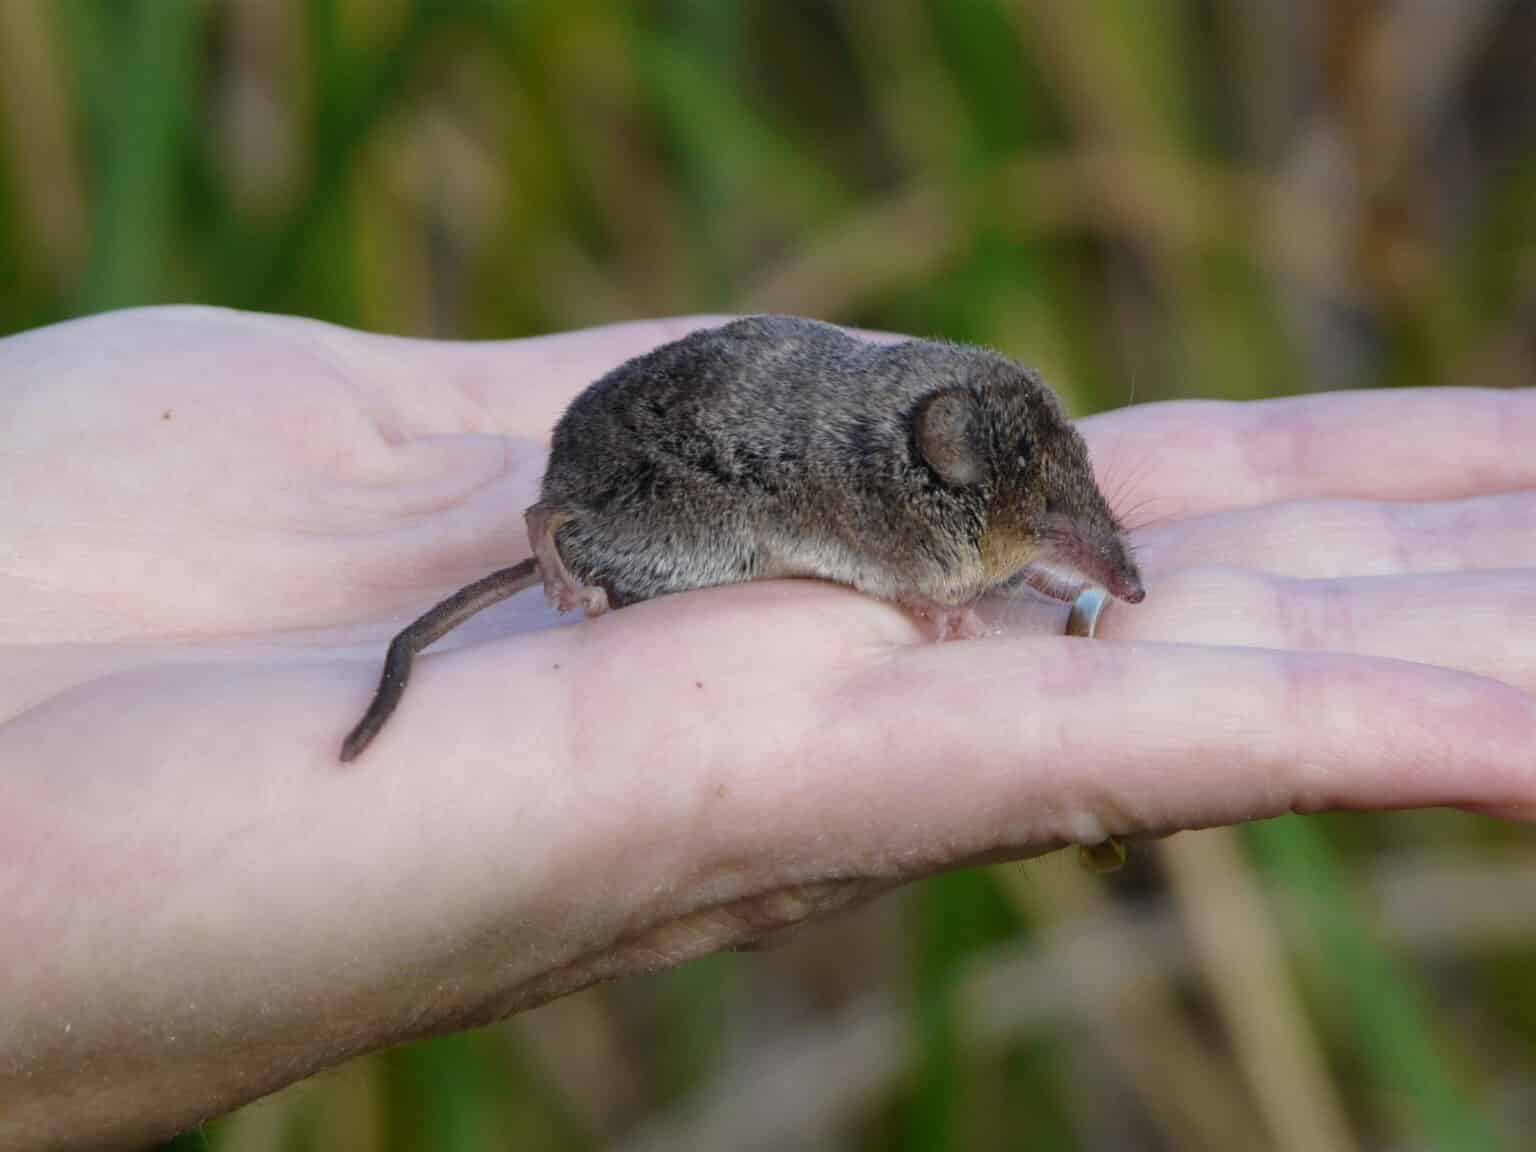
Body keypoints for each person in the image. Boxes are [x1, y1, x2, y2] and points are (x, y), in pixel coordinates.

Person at [2, 305, 1532, 1149]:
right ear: (934, 487)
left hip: (669, 439)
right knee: (660, 547)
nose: (1094, 551)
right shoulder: (875, 492)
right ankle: (569, 548)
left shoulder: (941, 437)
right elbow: (888, 545)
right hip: (650, 480)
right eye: (1047, 520)